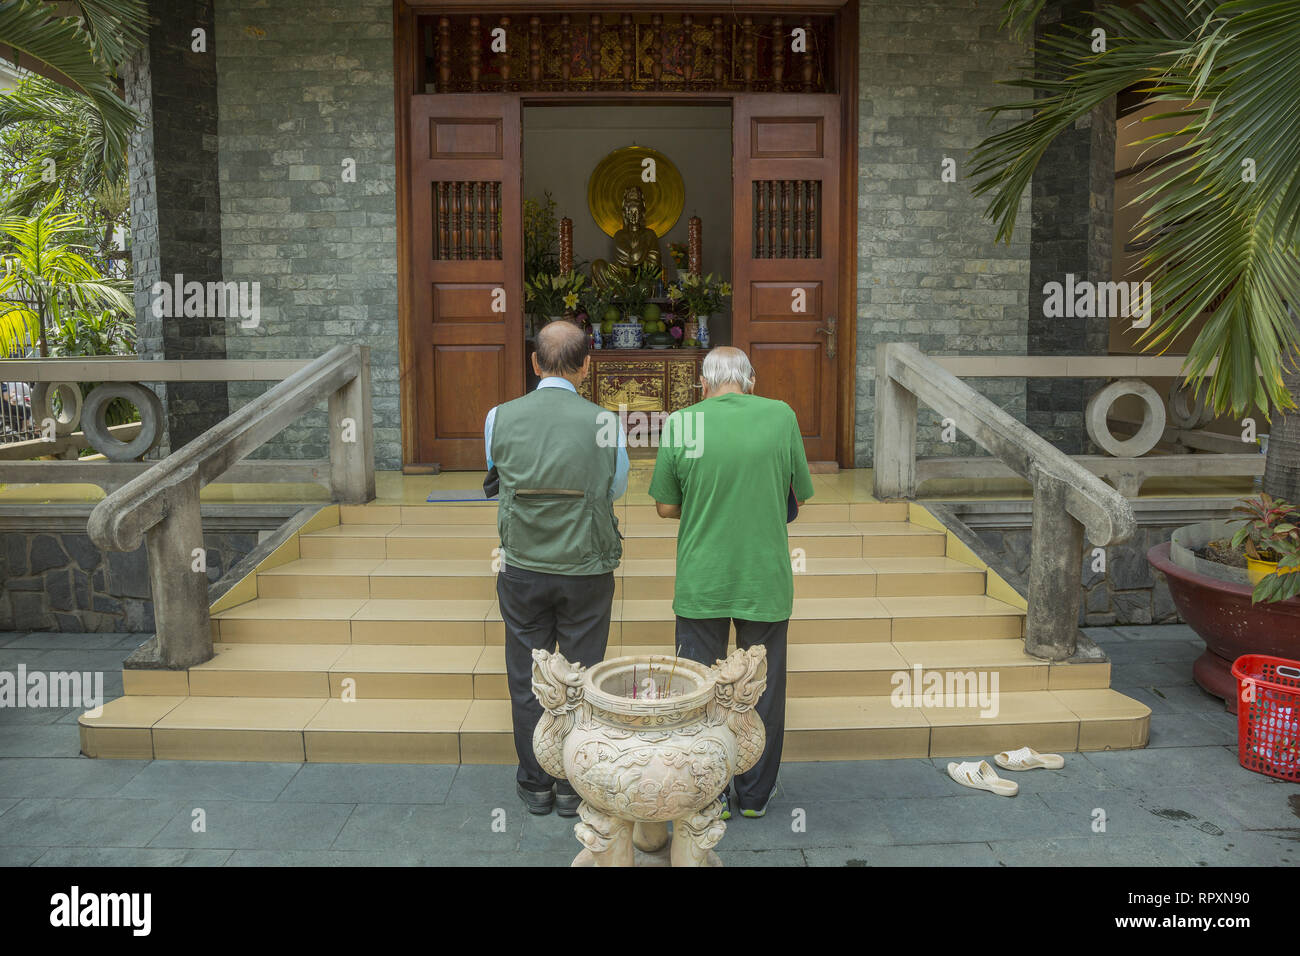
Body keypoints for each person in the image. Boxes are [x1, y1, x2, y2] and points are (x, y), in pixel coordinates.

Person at [648, 346, 813, 819]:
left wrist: (703, 500)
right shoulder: (781, 416)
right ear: (750, 381)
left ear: (703, 383)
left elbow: (664, 506)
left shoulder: (684, 422)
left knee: (701, 688)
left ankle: (709, 795)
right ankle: (756, 796)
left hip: (703, 577)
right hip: (764, 576)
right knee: (762, 686)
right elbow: (798, 493)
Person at [484, 320, 629, 817]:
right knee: (583, 674)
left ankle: (535, 783)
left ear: (534, 362)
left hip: (522, 563)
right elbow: (616, 489)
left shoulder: (498, 416)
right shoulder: (605, 420)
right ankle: (574, 785)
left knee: (528, 675)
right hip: (586, 565)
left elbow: (498, 475)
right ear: (587, 366)